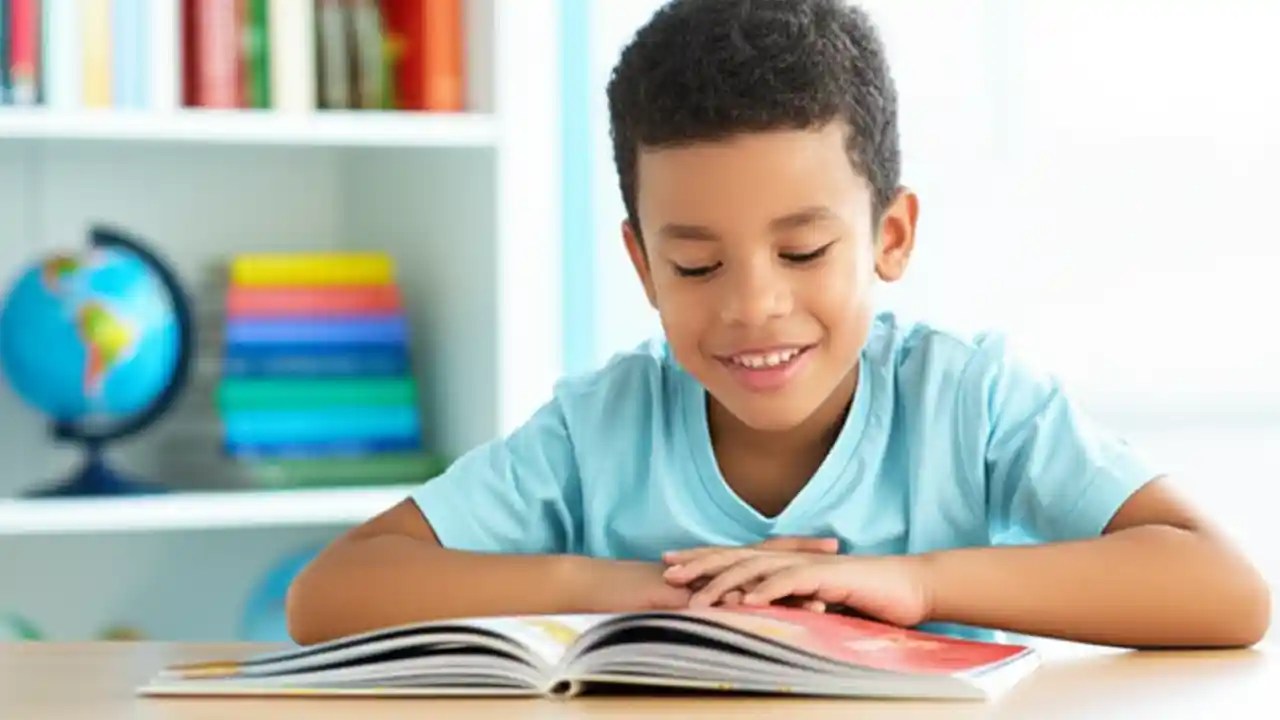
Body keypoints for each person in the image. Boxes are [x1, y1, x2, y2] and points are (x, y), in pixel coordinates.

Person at [285, 0, 1270, 648]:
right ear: (642, 266)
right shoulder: (599, 428)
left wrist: (917, 584)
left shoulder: (964, 401)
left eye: (801, 252)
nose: (752, 305)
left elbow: (1224, 590)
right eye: (696, 265)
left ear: (889, 237)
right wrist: (620, 588)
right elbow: (331, 593)